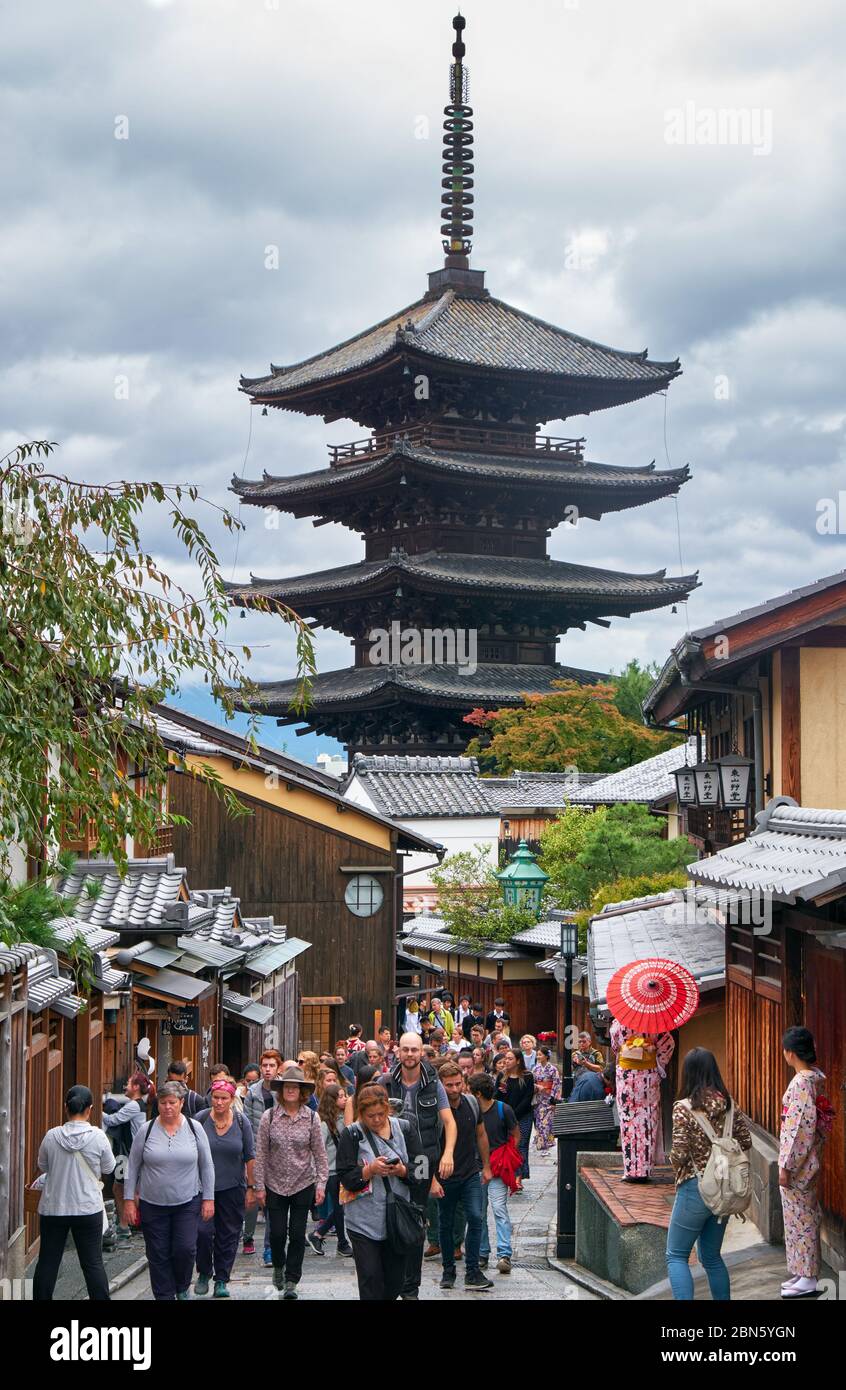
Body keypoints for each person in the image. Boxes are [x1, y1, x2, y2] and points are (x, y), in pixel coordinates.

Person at [666, 1047, 752, 1301]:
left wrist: (677, 1167)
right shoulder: (729, 1105)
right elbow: (745, 1141)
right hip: (724, 1189)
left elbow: (680, 1152)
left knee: (676, 1255)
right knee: (712, 1257)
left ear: (688, 1073)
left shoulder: (683, 1108)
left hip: (695, 1187)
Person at [378, 1031, 457, 1299]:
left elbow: (449, 1122)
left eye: (414, 1050)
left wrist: (447, 1154)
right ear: (398, 1051)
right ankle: (391, 1281)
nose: (410, 1054)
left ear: (421, 1052)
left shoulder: (433, 1084)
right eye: (406, 1049)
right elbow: (365, 1113)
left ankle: (410, 1288)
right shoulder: (385, 1082)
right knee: (389, 1216)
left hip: (422, 1159)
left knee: (415, 1219)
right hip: (391, 1158)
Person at [123, 1080, 215, 1301]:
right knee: (158, 1252)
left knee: (185, 1248)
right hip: (152, 1203)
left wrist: (208, 1198)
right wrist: (128, 1200)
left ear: (181, 1103)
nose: (167, 1107)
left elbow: (206, 1165)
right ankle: (164, 1295)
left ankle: (181, 1286)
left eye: (172, 1102)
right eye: (163, 1103)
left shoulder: (194, 1128)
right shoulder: (146, 1130)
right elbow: (132, 1166)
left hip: (188, 1200)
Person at [336, 1084, 429, 1301]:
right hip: (362, 1219)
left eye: (381, 1114)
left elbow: (422, 1168)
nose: (376, 1120)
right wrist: (369, 1170)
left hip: (397, 1219)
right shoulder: (352, 1134)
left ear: (387, 1108)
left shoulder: (405, 1128)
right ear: (361, 1113)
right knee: (370, 1277)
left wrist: (402, 1170)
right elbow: (345, 1176)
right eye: (370, 1116)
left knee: (395, 1280)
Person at [33, 1085, 116, 1301]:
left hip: (54, 1207)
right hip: (88, 1207)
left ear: (65, 1108)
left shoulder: (51, 1136)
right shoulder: (98, 1137)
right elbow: (109, 1168)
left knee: (48, 1262)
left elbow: (43, 1165)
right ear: (90, 1109)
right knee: (93, 1264)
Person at [255, 1065, 328, 1299]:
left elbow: (320, 1153)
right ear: (281, 1090)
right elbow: (261, 1153)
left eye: (295, 1087)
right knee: (277, 1234)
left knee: (297, 1234)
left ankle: (292, 1280)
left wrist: (321, 1183)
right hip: (274, 1183)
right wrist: (259, 1186)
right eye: (287, 1086)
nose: (290, 1090)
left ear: (302, 1091)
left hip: (302, 1182)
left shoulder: (312, 1118)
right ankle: (278, 1266)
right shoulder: (269, 1116)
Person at [779, 1026, 832, 1299]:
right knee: (799, 1218)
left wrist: (786, 1166)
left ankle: (809, 1277)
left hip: (800, 1165)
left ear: (790, 1053)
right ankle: (802, 1272)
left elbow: (798, 1129)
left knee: (802, 1220)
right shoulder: (814, 1079)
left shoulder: (801, 1083)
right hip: (809, 1160)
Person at [193, 1078, 257, 1297]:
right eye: (215, 1097)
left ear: (231, 1099)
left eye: (223, 1098)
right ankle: (204, 1272)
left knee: (228, 1235)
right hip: (202, 1188)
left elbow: (250, 1156)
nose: (219, 1102)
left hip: (233, 1187)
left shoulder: (241, 1121)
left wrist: (251, 1187)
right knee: (202, 1233)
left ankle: (221, 1279)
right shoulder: (200, 1119)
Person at [436, 1062, 494, 1291]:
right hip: (444, 1175)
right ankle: (448, 1270)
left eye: (457, 1084)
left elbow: (481, 1134)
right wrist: (432, 1178)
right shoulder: (436, 1110)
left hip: (470, 1172)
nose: (454, 1089)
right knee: (446, 1223)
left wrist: (486, 1166)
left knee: (476, 1217)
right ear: (440, 1085)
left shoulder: (471, 1103)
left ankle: (472, 1271)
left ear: (464, 1082)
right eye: (448, 1085)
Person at [469, 1072, 521, 1274]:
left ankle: (504, 1253)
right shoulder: (472, 1110)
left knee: (498, 1209)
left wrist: (507, 1156)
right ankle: (483, 1252)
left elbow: (516, 1135)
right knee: (479, 1212)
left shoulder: (503, 1109)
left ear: (478, 1093)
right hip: (477, 1167)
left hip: (497, 1167)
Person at [610, 1020, 675, 1182]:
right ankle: (645, 1169)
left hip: (626, 1076)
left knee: (628, 1121)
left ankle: (630, 1170)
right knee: (648, 1120)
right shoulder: (656, 1022)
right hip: (648, 1077)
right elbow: (668, 1044)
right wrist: (657, 1063)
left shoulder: (619, 1022)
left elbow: (615, 1047)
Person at [101, 1070, 155, 1238]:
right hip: (131, 1153)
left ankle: (136, 1224)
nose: (126, 1086)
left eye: (129, 1083)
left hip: (130, 1154)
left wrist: (94, 1109)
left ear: (136, 1087)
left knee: (125, 1190)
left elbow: (112, 1120)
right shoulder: (137, 1104)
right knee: (123, 1188)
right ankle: (125, 1224)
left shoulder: (133, 1105)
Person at [243, 1048, 282, 1260]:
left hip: (280, 1152)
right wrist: (249, 1155)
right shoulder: (253, 1092)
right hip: (257, 1151)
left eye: (271, 1066)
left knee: (273, 1203)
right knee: (254, 1194)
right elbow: (247, 1124)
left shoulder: (285, 1089)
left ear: (278, 1068)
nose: (267, 1069)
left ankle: (270, 1247)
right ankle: (248, 1237)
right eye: (265, 1066)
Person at [307, 1083, 353, 1257]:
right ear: (331, 1100)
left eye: (345, 1095)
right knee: (340, 1206)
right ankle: (341, 1243)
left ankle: (319, 1235)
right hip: (331, 1171)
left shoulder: (341, 1118)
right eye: (340, 1096)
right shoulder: (324, 1123)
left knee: (342, 1206)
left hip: (340, 1169)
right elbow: (318, 1150)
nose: (345, 1099)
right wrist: (319, 1175)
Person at [495, 1049, 534, 1187]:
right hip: (505, 1116)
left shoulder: (527, 1076)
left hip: (523, 1115)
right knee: (506, 1145)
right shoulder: (502, 1076)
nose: (506, 1061)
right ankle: (507, 1173)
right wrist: (500, 1092)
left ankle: (519, 1176)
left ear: (518, 1061)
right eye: (506, 1058)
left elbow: (527, 1098)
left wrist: (514, 1114)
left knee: (521, 1145)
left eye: (510, 1058)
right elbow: (496, 1097)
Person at [532, 1045, 562, 1148]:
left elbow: (556, 1084)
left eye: (540, 1055)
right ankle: (542, 1141)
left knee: (547, 1122)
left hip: (549, 1099)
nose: (538, 1057)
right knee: (539, 1121)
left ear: (546, 1056)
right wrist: (537, 1087)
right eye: (537, 1055)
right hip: (539, 1098)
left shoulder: (553, 1069)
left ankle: (545, 1142)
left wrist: (553, 1100)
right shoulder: (535, 1068)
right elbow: (532, 1082)